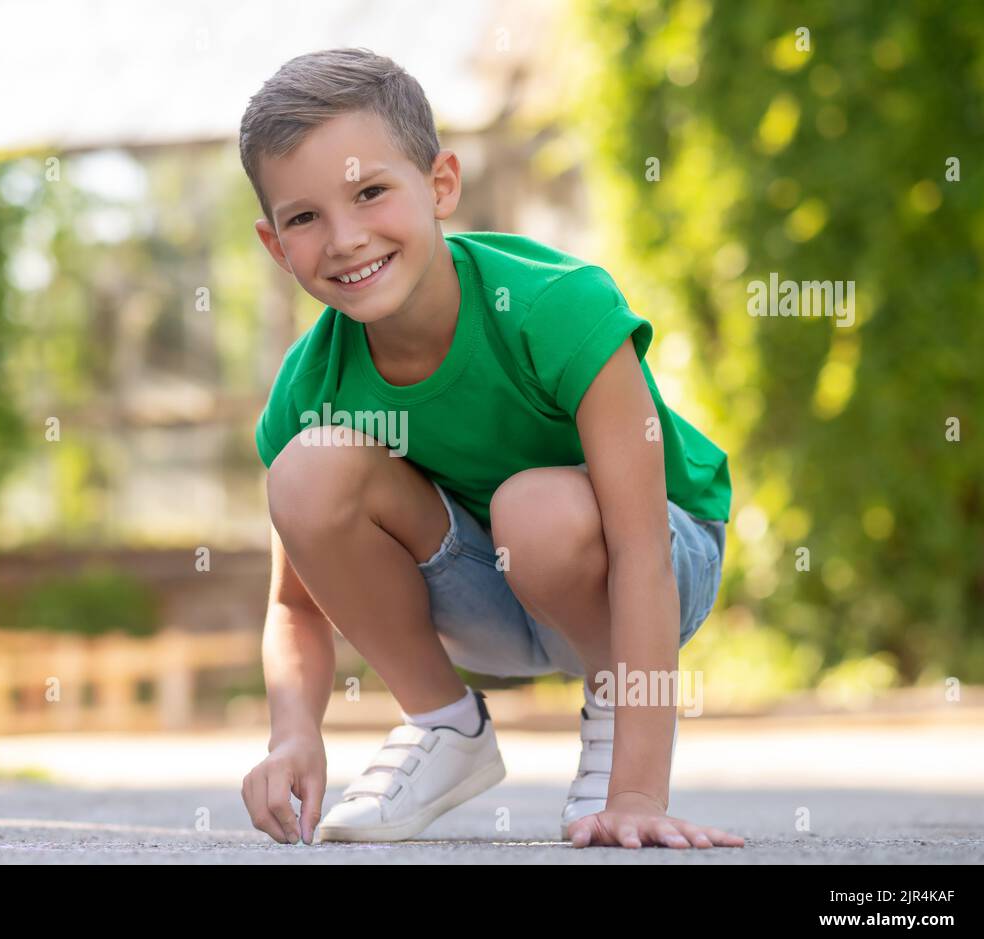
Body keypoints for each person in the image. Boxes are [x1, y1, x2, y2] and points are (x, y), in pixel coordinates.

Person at [237, 47, 744, 850]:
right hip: (484, 597)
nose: (344, 238)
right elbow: (294, 605)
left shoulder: (557, 307)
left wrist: (639, 791)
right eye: (305, 218)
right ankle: (444, 725)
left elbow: (642, 546)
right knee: (306, 470)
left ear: (441, 184)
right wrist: (292, 734)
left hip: (647, 568)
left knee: (534, 505)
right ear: (275, 244)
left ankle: (614, 708)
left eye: (370, 192)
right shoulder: (312, 385)